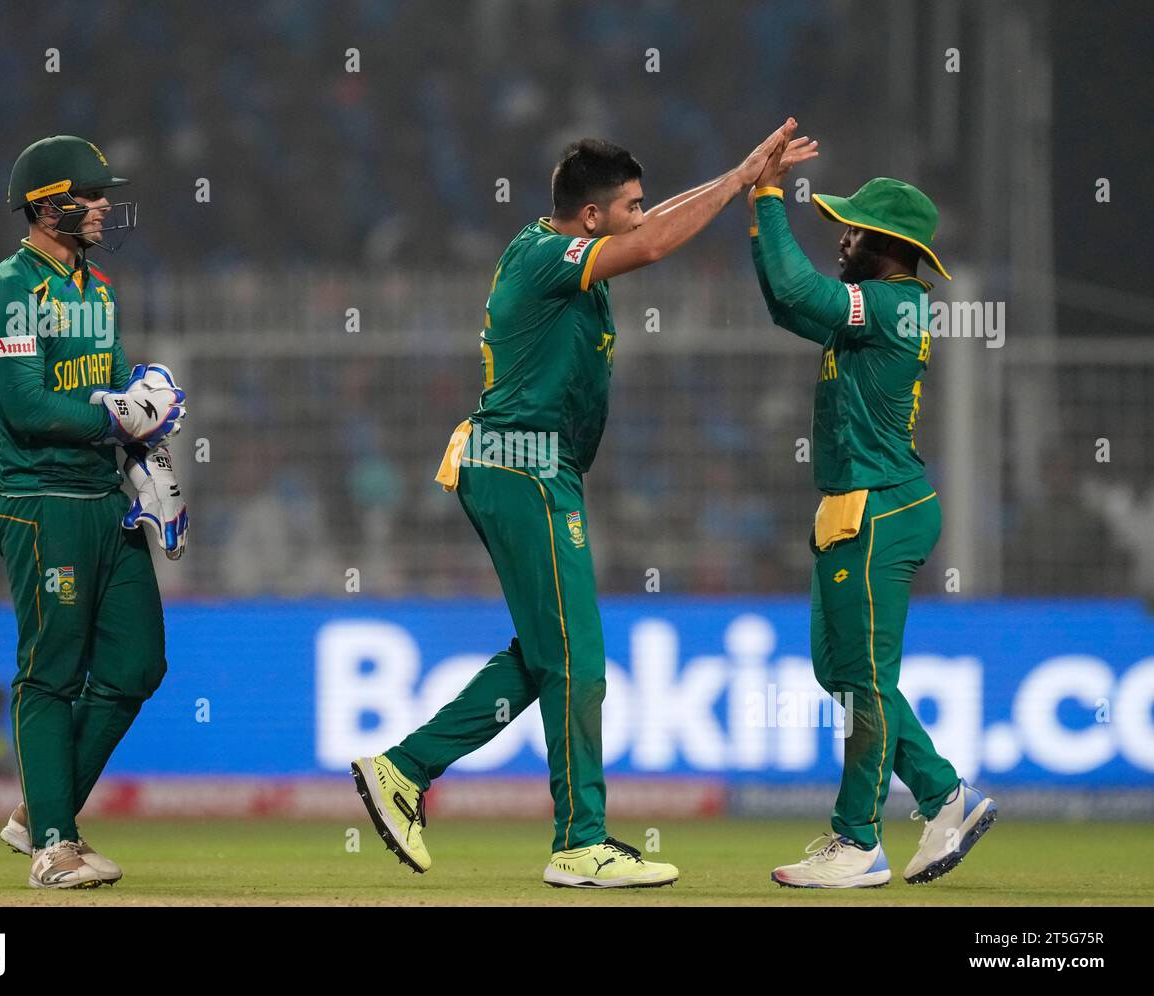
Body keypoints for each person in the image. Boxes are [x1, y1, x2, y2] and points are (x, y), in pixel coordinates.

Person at [353, 119, 815, 889]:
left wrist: (735, 175)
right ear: (592, 217)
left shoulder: (556, 254)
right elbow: (656, 243)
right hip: (523, 467)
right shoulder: (546, 256)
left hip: (532, 469)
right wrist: (737, 183)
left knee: (546, 657)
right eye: (632, 204)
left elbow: (651, 232)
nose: (643, 213)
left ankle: (403, 770)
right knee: (578, 660)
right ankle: (580, 842)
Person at [747, 139, 997, 887]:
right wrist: (762, 214)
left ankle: (858, 842)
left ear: (890, 246)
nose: (841, 237)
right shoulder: (879, 307)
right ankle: (943, 794)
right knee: (843, 671)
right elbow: (785, 299)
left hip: (879, 507)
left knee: (862, 677)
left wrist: (766, 198)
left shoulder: (889, 303)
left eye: (853, 230)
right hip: (865, 504)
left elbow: (800, 291)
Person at [0, 135, 188, 889]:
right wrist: (117, 415)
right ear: (45, 206)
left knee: (137, 664)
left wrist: (151, 457)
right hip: (43, 503)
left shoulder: (96, 288)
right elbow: (28, 404)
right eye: (89, 196)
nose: (102, 206)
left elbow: (115, 382)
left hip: (103, 499)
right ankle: (54, 848)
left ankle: (40, 809)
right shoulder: (12, 290)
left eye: (103, 195)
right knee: (50, 674)